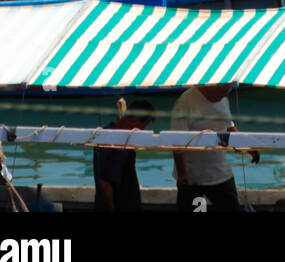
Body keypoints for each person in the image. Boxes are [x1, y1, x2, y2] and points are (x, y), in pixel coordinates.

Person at [171, 84, 258, 213]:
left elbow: (229, 128)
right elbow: (177, 142)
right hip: (192, 177)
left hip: (221, 173)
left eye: (227, 92)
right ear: (210, 85)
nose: (225, 95)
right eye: (222, 91)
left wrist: (248, 146)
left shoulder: (223, 99)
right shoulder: (186, 102)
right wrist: (182, 174)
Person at [93, 100, 154, 212]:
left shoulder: (104, 135)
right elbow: (105, 183)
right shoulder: (119, 144)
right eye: (143, 127)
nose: (142, 131)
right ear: (134, 121)